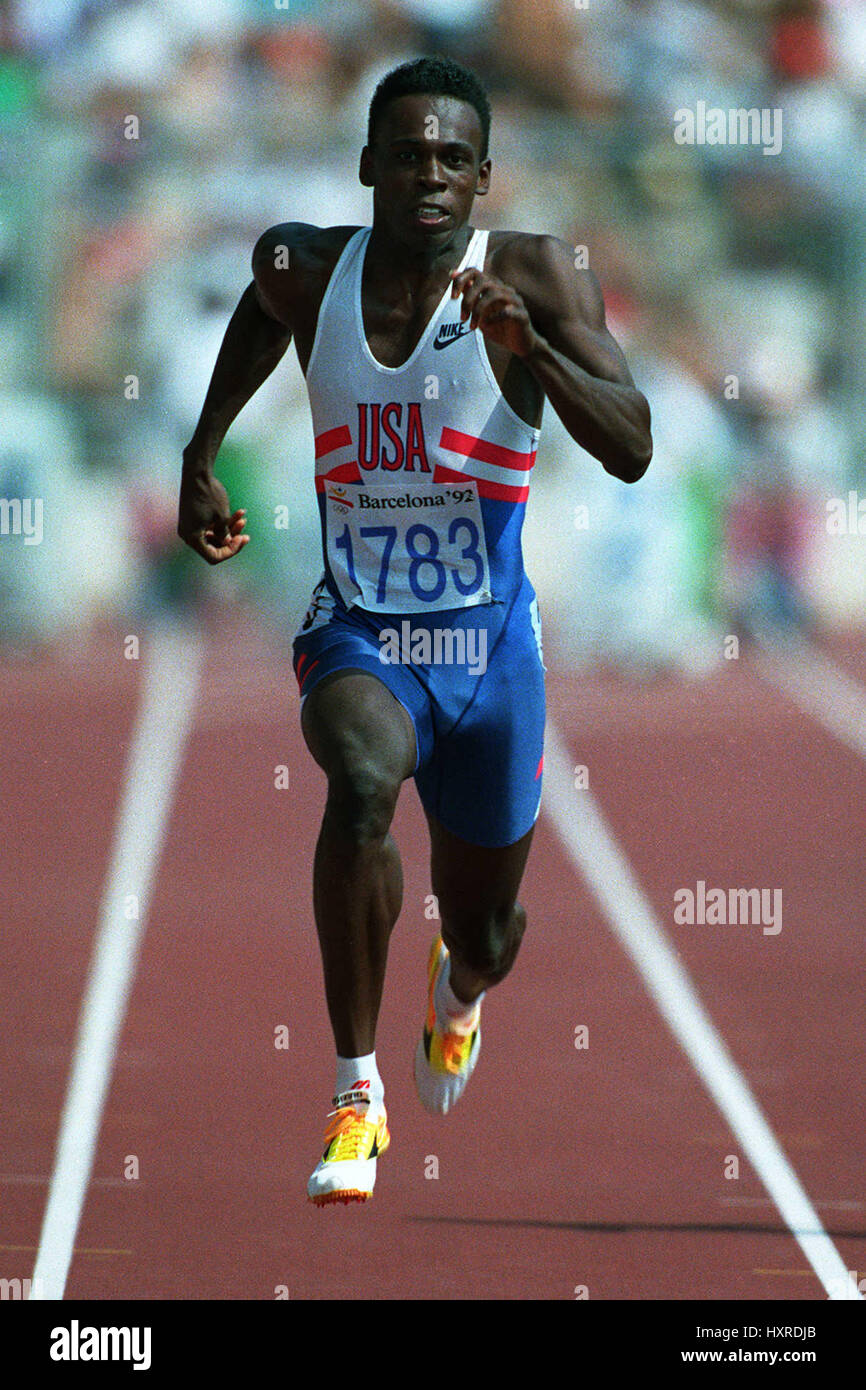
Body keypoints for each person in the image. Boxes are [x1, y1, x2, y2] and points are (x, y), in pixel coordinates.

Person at [178, 56, 652, 1207]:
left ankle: (457, 987)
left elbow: (632, 445)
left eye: (452, 158)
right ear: (367, 168)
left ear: (483, 175)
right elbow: (263, 303)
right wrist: (199, 452)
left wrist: (526, 352)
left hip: (488, 649)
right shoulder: (310, 265)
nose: (428, 176)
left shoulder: (533, 274)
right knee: (357, 779)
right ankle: (354, 1095)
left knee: (490, 926)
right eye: (407, 154)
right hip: (364, 631)